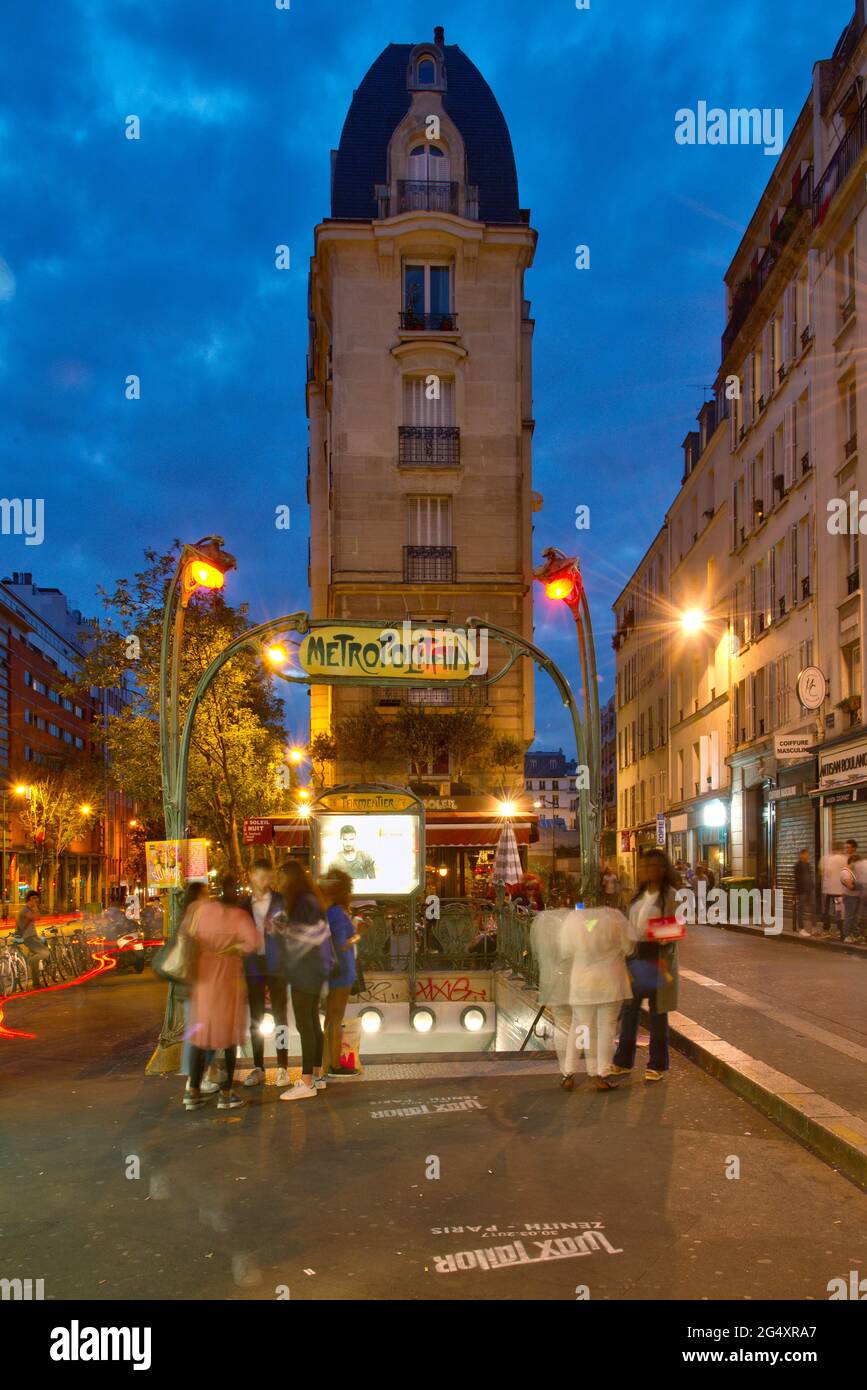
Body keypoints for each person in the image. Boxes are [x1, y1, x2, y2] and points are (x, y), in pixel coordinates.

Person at [535, 903, 637, 1093]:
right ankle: (601, 1074)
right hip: (610, 981)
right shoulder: (616, 917)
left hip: (582, 981)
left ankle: (568, 1073)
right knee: (606, 1028)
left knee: (579, 1027)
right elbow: (629, 947)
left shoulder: (574, 919)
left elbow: (565, 950)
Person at [610, 848, 681, 1083]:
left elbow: (675, 928)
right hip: (635, 956)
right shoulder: (636, 896)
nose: (649, 870)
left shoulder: (670, 895)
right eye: (645, 865)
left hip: (657, 957)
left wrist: (651, 933)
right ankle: (623, 1061)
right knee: (630, 1011)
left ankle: (657, 1064)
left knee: (657, 1014)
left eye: (654, 866)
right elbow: (629, 925)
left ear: (663, 869)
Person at [185, 892, 259, 1112]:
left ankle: (193, 1091)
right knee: (228, 1037)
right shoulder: (238, 916)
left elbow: (187, 936)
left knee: (200, 1036)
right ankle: (226, 1094)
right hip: (227, 980)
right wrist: (236, 948)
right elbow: (253, 942)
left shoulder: (201, 911)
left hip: (203, 980)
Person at [275, 860, 334, 1102]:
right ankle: (318, 1076)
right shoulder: (312, 899)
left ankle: (307, 1080)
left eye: (281, 877)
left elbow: (305, 936)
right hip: (315, 971)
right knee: (312, 1023)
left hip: (304, 971)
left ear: (290, 879)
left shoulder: (302, 902)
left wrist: (283, 930)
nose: (278, 882)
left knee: (305, 1025)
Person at [239, 859, 289, 1089]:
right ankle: (258, 1066)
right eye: (259, 875)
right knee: (256, 1019)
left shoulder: (281, 901)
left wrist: (280, 929)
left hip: (277, 964)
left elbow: (291, 929)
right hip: (253, 966)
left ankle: (282, 1067)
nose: (264, 880)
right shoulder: (243, 905)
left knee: (280, 1017)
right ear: (251, 876)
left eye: (267, 875)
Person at [320, 868, 360, 1077]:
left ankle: (327, 1062)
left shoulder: (329, 911)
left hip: (332, 970)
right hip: (341, 971)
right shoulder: (337, 913)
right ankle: (335, 1064)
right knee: (336, 1018)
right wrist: (358, 934)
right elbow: (342, 944)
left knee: (330, 1018)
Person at [15, 890, 48, 987]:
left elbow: (38, 917)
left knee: (37, 959)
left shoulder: (30, 909)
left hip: (33, 936)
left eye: (37, 898)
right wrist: (35, 906)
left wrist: (34, 906)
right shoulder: (24, 910)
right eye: (35, 898)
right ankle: (30, 961)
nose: (37, 900)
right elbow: (35, 917)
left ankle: (36, 983)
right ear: (30, 899)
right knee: (45, 952)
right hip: (28, 937)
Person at [819, 844, 847, 934]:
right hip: (839, 890)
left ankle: (826, 927)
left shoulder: (826, 859)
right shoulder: (845, 859)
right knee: (839, 909)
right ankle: (840, 927)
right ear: (841, 849)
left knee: (826, 909)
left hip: (828, 889)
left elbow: (823, 872)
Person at [840, 840, 862, 942]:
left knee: (856, 917)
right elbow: (850, 886)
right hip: (849, 896)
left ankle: (854, 934)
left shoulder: (854, 870)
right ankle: (846, 935)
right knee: (849, 916)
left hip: (857, 896)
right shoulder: (845, 872)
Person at [793, 849, 817, 937]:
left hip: (809, 890)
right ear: (801, 855)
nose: (807, 856)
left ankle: (814, 928)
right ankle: (801, 928)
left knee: (813, 908)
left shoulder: (808, 865)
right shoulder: (798, 865)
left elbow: (810, 876)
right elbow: (797, 879)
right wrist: (799, 890)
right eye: (806, 854)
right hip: (802, 891)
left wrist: (812, 886)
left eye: (808, 854)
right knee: (801, 909)